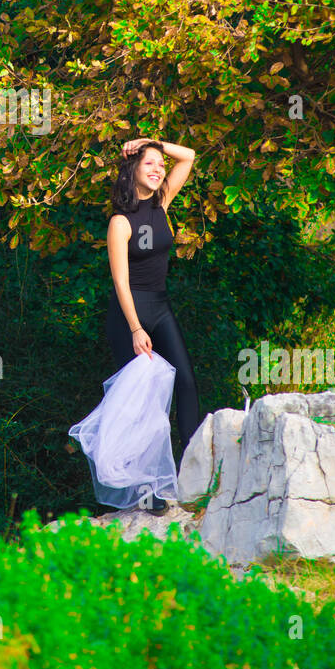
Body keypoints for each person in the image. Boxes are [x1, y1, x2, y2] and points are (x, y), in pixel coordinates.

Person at [105, 136, 202, 512]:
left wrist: (153, 142)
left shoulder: (162, 202)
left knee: (186, 381)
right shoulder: (119, 222)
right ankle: (152, 487)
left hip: (160, 307)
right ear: (133, 171)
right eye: (149, 163)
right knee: (145, 402)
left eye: (160, 164)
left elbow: (189, 156)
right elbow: (120, 281)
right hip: (130, 315)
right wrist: (135, 329)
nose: (158, 168)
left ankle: (194, 467)